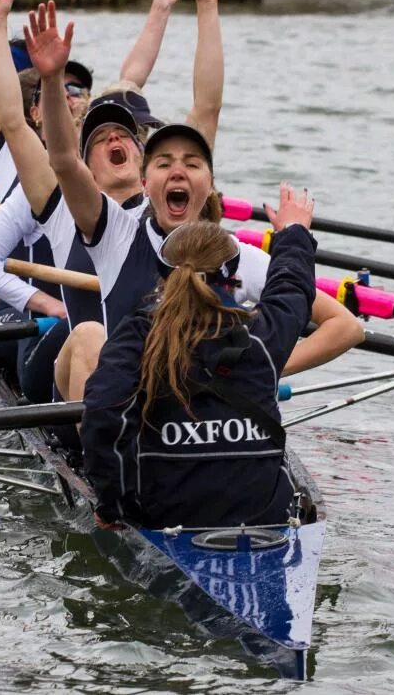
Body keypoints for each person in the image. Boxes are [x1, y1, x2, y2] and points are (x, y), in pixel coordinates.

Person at [29, 0, 365, 407]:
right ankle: (99, 468)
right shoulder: (116, 232)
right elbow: (65, 161)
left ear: (209, 184)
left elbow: (348, 327)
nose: (178, 171)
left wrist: (261, 364)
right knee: (89, 336)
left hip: (203, 431)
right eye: (164, 162)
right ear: (146, 183)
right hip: (128, 428)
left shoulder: (240, 257)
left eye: (191, 162)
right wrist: (51, 80)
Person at [0, 0, 179, 401]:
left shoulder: (170, 207)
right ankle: (97, 450)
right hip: (76, 368)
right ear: (83, 162)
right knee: (88, 335)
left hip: (153, 373)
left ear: (144, 154)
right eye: (99, 141)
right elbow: (13, 123)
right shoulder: (64, 206)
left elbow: (205, 110)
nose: (114, 143)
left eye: (124, 136)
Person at [81, 184, 317, 529]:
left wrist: (115, 504)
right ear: (233, 277)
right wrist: (293, 233)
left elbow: (104, 412)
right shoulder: (266, 336)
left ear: (165, 274)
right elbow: (292, 287)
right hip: (266, 522)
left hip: (169, 519)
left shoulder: (139, 336)